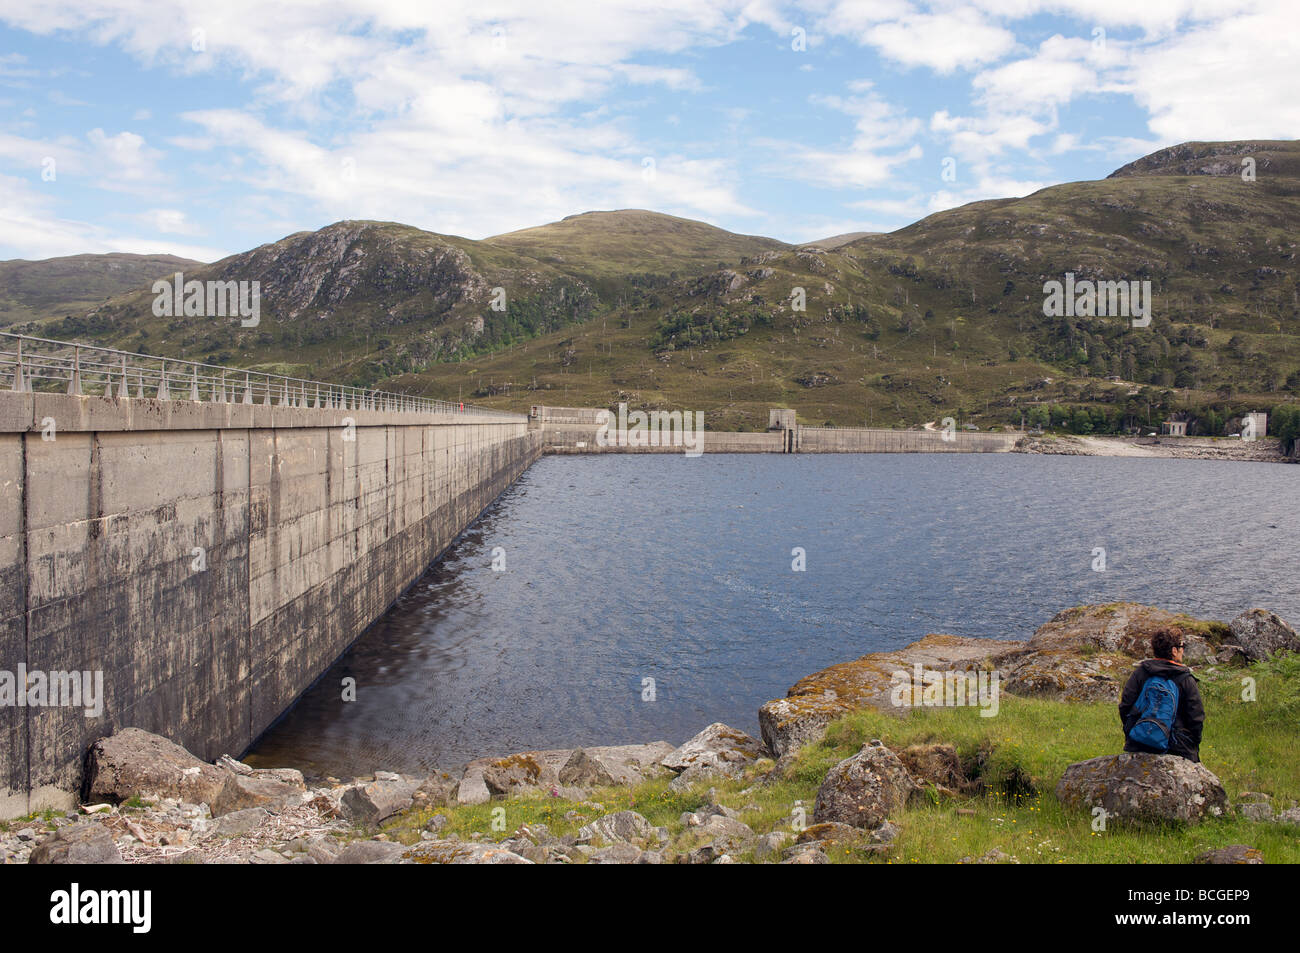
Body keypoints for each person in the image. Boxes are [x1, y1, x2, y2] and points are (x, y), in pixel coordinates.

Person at [1118, 627, 1205, 762]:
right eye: (1182, 646)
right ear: (1174, 651)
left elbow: (1125, 706)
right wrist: (1192, 745)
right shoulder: (1186, 679)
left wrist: (1132, 733)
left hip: (1139, 743)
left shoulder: (1141, 673)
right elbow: (1196, 718)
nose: (1183, 650)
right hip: (1178, 749)